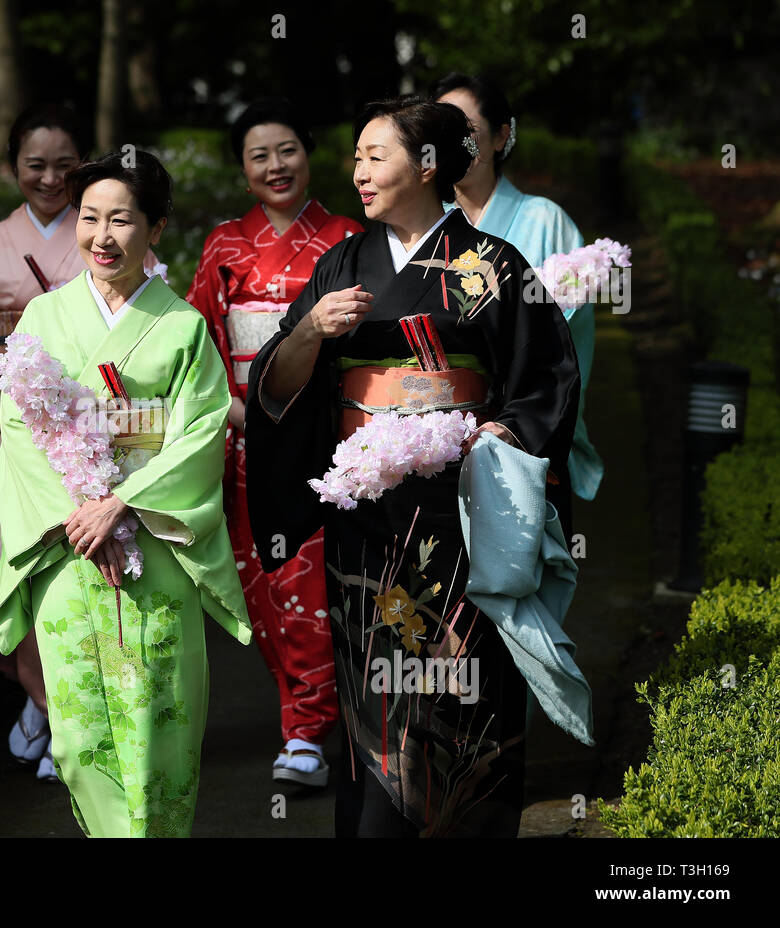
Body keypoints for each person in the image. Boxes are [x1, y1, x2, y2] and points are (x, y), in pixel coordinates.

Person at [245, 98, 579, 837]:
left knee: (463, 687)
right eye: (357, 157)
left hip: (460, 510)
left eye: (376, 156)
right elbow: (276, 385)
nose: (358, 172)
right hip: (366, 517)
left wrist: (499, 433)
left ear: (427, 166)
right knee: (376, 688)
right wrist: (309, 330)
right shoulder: (341, 265)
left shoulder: (490, 263)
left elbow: (546, 377)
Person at [0, 150, 251, 837]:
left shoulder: (183, 326)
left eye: (123, 220)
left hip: (153, 546)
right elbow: (19, 433)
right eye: (89, 218)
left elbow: (199, 435)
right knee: (79, 734)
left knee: (158, 716)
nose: (103, 237)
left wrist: (125, 505)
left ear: (156, 228)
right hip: (69, 547)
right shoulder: (43, 317)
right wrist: (81, 511)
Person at [0, 104, 163, 779]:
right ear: (14, 170)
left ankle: (83, 721)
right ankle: (48, 699)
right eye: (34, 165)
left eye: (64, 164)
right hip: (13, 426)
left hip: (95, 428)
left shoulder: (110, 229)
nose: (50, 177)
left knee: (97, 574)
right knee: (7, 572)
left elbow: (147, 311)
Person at [185, 97, 363, 788]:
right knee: (261, 583)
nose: (274, 165)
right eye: (258, 155)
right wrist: (236, 415)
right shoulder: (225, 244)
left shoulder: (348, 236)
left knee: (310, 583)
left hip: (320, 437)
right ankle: (304, 715)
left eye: (286, 149)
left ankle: (307, 732)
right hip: (243, 432)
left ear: (309, 153)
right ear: (242, 168)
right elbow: (200, 342)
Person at [434, 72, 603, 520]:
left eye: (466, 130)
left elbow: (566, 339)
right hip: (437, 436)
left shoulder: (547, 220)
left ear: (501, 135)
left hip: (520, 432)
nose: (455, 143)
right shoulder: (424, 227)